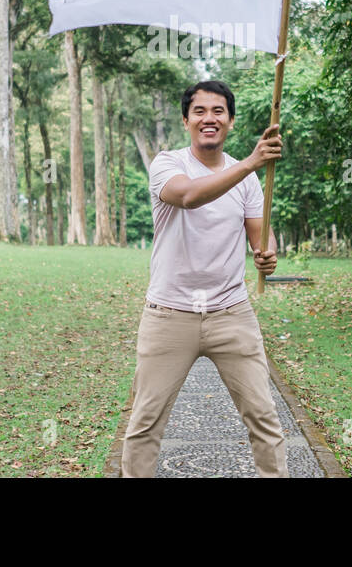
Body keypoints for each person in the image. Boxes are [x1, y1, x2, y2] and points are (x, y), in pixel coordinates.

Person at [120, 79, 288, 477]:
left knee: (265, 420)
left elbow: (258, 230)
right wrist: (251, 162)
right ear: (186, 120)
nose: (209, 118)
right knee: (144, 425)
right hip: (168, 315)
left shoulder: (247, 179)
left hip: (232, 313)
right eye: (200, 111)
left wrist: (268, 253)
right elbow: (190, 196)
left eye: (218, 111)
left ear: (229, 120)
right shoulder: (167, 164)